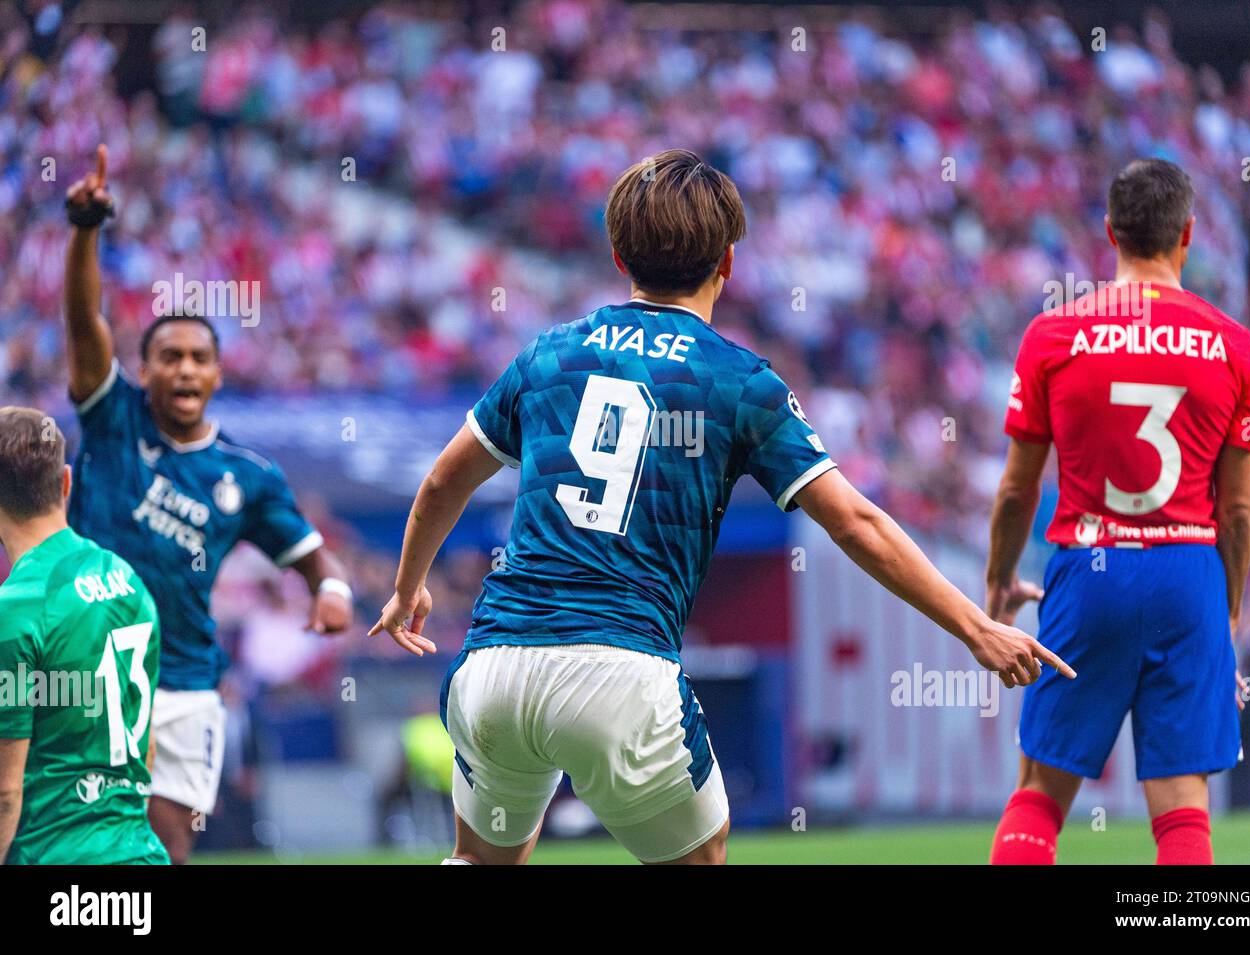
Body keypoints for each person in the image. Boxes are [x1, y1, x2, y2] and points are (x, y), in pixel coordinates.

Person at [371, 149, 1072, 865]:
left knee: (480, 860)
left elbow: (440, 484)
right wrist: (973, 627)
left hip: (494, 662)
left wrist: (406, 590)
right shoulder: (739, 381)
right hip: (618, 667)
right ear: (727, 264)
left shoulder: (548, 355)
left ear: (618, 255)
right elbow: (855, 522)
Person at [61, 145, 355, 863]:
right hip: (85, 665)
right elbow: (81, 322)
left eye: (198, 356)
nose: (184, 367)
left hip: (186, 677)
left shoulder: (246, 476)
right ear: (146, 368)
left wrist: (333, 589)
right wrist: (85, 233)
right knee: (71, 844)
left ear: (219, 373)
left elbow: (307, 551)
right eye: (169, 355)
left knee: (166, 846)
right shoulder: (113, 416)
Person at [986, 158, 1250, 865]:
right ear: (1188, 235)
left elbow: (1018, 489)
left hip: (1091, 566)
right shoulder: (1233, 345)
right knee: (1181, 803)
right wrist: (1224, 612)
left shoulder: (1055, 335)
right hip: (1189, 568)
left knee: (1039, 792)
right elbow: (1236, 514)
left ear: (1109, 231)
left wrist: (999, 581)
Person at [0, 407, 168, 865]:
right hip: (137, 854)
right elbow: (147, 744)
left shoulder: (15, 609)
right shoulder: (129, 580)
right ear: (66, 482)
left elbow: (5, 791)